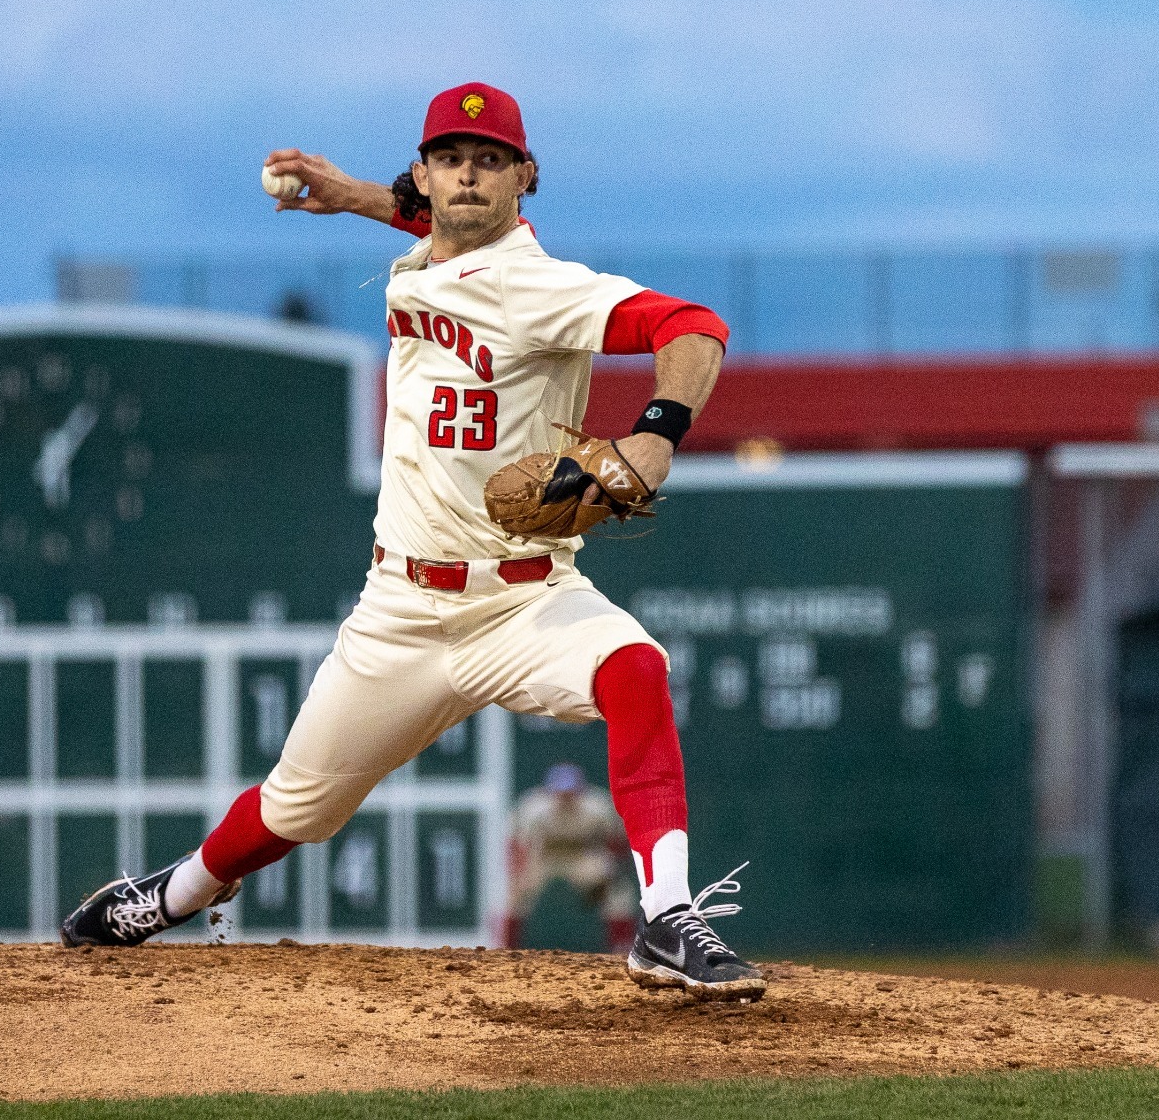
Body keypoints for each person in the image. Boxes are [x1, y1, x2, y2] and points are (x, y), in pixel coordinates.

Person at [63, 81, 762, 999]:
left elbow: (692, 325)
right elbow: (443, 240)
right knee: (292, 809)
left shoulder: (540, 286)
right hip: (401, 607)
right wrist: (354, 195)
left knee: (634, 668)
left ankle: (667, 916)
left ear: (527, 179)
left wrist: (654, 434)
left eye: (491, 160)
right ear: (425, 176)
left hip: (524, 597)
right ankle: (173, 891)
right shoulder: (427, 256)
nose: (469, 174)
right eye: (451, 158)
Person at [505, 762, 637, 954]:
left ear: (581, 790)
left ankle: (622, 948)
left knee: (618, 894)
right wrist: (517, 875)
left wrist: (610, 872)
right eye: (560, 792)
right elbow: (517, 843)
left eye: (570, 792)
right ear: (549, 792)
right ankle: (507, 949)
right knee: (513, 895)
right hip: (544, 855)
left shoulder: (597, 806)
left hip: (581, 854)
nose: (565, 797)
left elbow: (616, 841)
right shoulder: (534, 807)